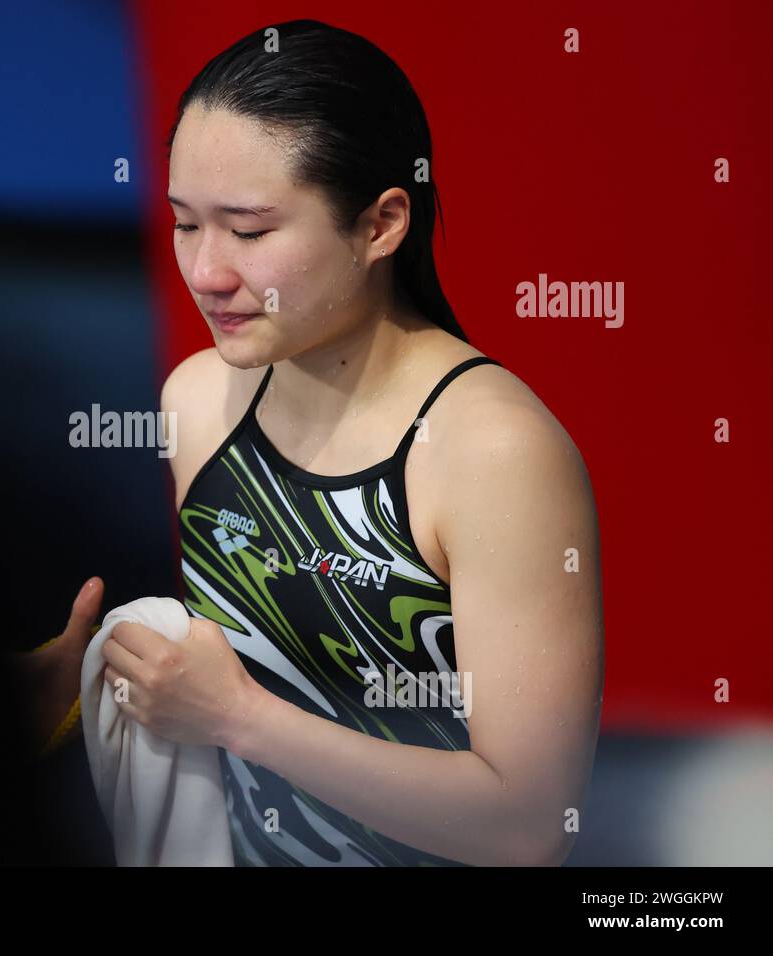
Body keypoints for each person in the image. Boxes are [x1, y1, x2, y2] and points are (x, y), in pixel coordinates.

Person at [96, 20, 604, 866]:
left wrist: (239, 719)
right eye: (187, 223)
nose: (207, 271)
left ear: (381, 224)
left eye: (251, 232)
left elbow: (530, 826)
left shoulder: (493, 454)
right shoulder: (200, 400)